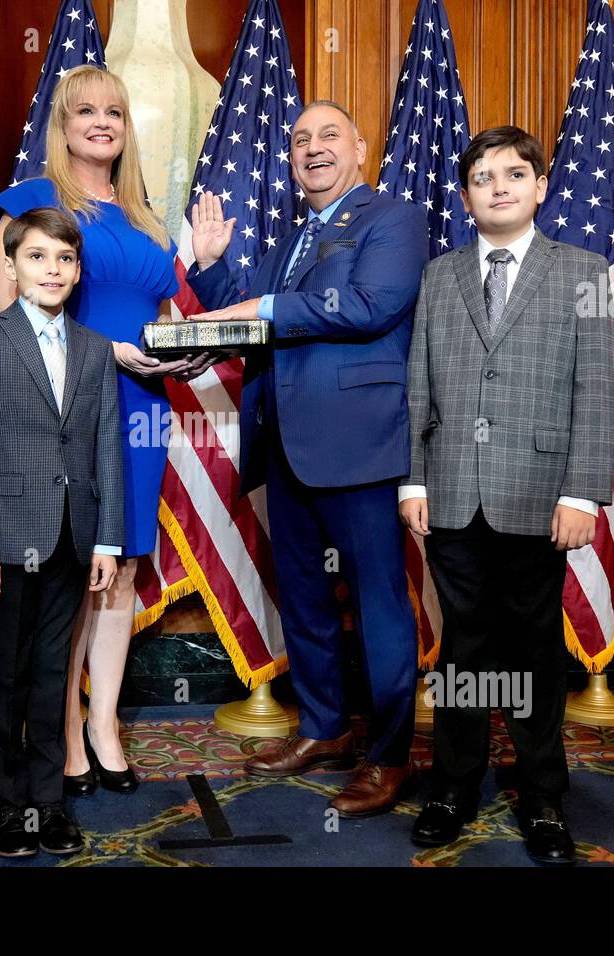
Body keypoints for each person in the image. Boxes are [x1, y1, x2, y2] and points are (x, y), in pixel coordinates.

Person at [187, 100, 429, 817]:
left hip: (361, 443)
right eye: (299, 140)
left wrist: (262, 308)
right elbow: (246, 313)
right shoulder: (293, 239)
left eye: (328, 135)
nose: (313, 148)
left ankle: (389, 756)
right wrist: (209, 269)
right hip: (284, 442)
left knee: (381, 605)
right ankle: (324, 729)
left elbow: (371, 303)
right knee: (303, 598)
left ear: (359, 147)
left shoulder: (393, 218)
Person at [0, 66, 210, 797]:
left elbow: (169, 312)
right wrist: (104, 350)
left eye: (114, 110)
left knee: (123, 569)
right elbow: (1, 324)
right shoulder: (32, 202)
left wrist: (192, 327)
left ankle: (105, 722)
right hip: (67, 409)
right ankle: (62, 729)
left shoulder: (147, 217)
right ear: (63, 121)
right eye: (85, 110)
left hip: (143, 407)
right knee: (73, 570)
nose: (102, 121)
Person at [401, 125, 614, 864]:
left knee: (530, 644)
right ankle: (454, 784)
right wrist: (414, 477)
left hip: (540, 492)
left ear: (540, 187)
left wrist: (583, 494)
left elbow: (597, 391)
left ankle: (542, 793)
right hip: (454, 490)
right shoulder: (440, 276)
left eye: (513, 174)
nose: (499, 187)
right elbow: (418, 387)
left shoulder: (584, 271)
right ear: (465, 197)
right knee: (462, 646)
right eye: (483, 177)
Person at [0, 207, 123, 858]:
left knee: (53, 675)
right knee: (5, 675)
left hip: (72, 541)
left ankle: (47, 805)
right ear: (13, 265)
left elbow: (108, 450)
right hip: (2, 541)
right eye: (38, 257)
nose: (52, 270)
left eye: (64, 259)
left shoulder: (96, 350)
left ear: (77, 273)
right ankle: (8, 800)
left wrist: (107, 539)